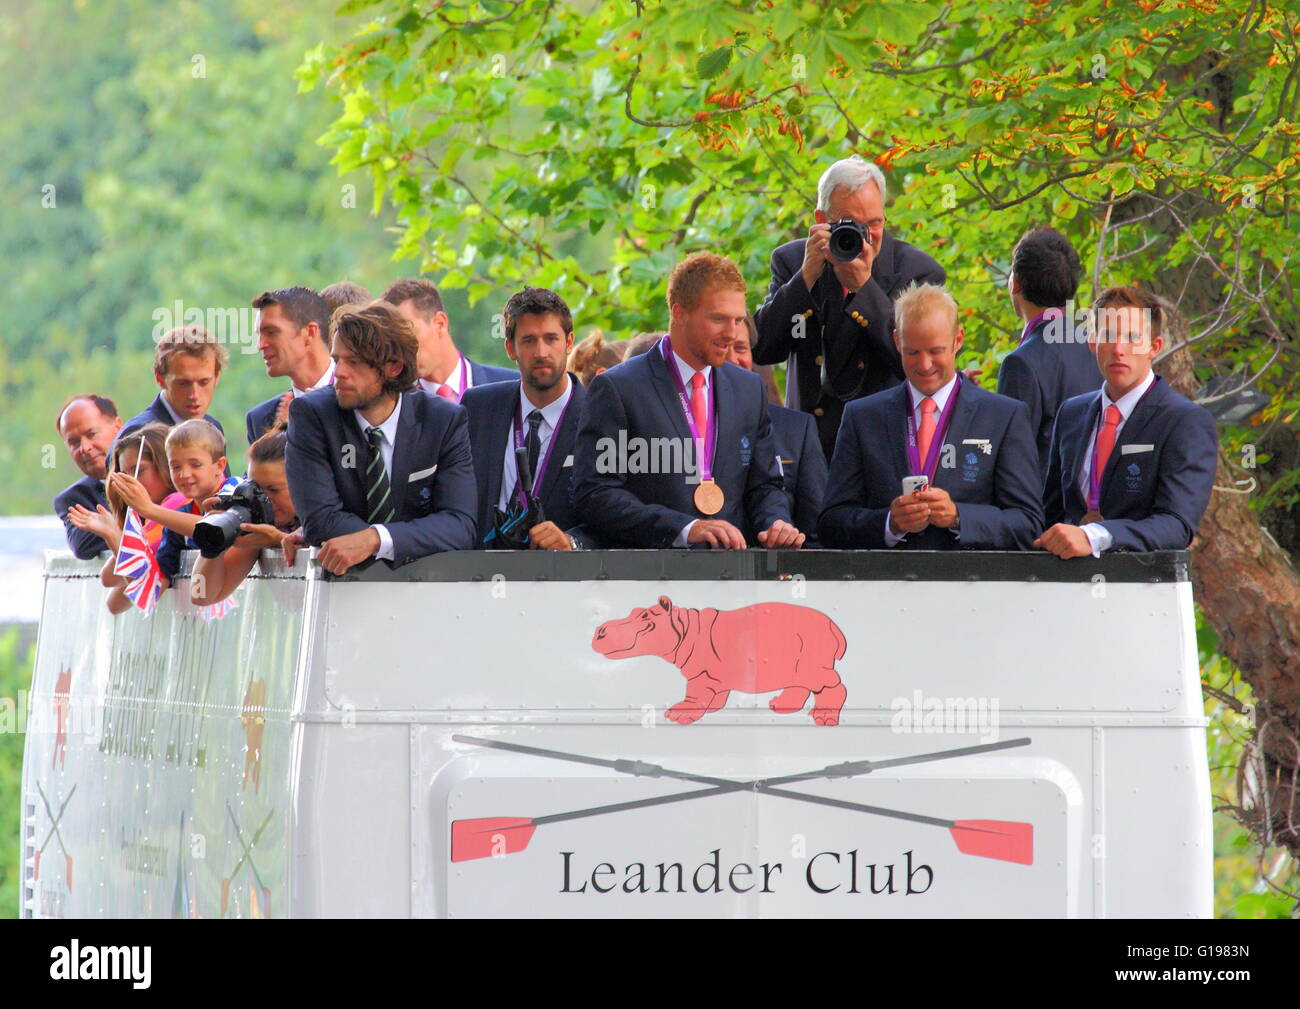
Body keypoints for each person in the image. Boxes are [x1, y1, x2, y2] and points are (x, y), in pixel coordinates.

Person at [572, 252, 804, 550]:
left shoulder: (749, 388)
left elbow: (765, 485)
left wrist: (775, 523)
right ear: (679, 313)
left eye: (737, 320)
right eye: (718, 319)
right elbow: (595, 493)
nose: (731, 334)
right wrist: (683, 528)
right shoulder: (619, 388)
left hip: (732, 581)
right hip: (651, 580)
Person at [819, 283, 1043, 550]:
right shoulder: (862, 417)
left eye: (935, 351)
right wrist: (890, 523)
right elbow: (830, 524)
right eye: (912, 352)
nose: (924, 365)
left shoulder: (1004, 417)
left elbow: (1028, 524)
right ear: (896, 341)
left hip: (970, 584)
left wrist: (959, 516)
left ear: (958, 340)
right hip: (886, 584)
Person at [752, 155, 946, 461]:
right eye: (852, 225)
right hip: (811, 448)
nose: (866, 235)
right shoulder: (792, 262)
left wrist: (864, 289)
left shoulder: (916, 272)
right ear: (821, 219)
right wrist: (805, 280)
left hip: (883, 447)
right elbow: (761, 349)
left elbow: (919, 365)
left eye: (875, 223)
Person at [285, 300, 477, 574]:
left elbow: (460, 526)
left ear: (394, 367)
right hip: (342, 589)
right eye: (337, 359)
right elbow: (320, 521)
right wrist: (402, 541)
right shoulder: (312, 415)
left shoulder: (443, 420)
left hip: (426, 589)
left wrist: (376, 540)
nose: (338, 372)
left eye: (354, 362)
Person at [1038, 286, 1218, 558]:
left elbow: (1176, 525)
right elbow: (1051, 510)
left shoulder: (1185, 421)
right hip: (1067, 581)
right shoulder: (1071, 413)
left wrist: (1095, 536)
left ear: (1153, 347)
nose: (1119, 349)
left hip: (1140, 585)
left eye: (1133, 338)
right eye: (1108, 335)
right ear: (1092, 341)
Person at [462, 288, 586, 550]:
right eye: (529, 340)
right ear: (510, 348)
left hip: (565, 579)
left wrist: (573, 543)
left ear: (569, 342)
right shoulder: (477, 408)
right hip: (482, 576)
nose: (541, 352)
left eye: (551, 338)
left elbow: (617, 512)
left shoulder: (598, 416)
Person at [997, 227, 1101, 478]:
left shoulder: (1021, 363)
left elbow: (1013, 457)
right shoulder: (1094, 347)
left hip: (1044, 508)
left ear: (1015, 283)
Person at [107, 420, 238, 601]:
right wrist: (111, 535)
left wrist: (149, 509)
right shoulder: (175, 525)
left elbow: (217, 527)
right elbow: (153, 590)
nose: (184, 474)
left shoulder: (236, 491)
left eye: (195, 464)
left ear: (220, 466)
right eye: (175, 467)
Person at [727, 322, 827, 540]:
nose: (731, 358)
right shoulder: (682, 419)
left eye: (740, 348)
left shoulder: (797, 429)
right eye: (722, 346)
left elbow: (816, 527)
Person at [191, 424, 303, 606]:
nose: (263, 499)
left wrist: (279, 540)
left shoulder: (327, 515)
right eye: (255, 489)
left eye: (273, 489)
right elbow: (201, 596)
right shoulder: (258, 524)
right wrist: (214, 541)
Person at [71, 423, 178, 606]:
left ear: (165, 465)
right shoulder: (152, 518)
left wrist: (113, 534)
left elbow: (142, 586)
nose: (130, 482)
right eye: (124, 474)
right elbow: (112, 590)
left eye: (140, 470)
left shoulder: (176, 504)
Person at [381, 277, 515, 402]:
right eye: (394, 340)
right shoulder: (396, 405)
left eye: (407, 333)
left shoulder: (512, 387)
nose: (399, 350)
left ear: (440, 323)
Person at [244, 287, 335, 445]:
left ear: (310, 333)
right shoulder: (260, 419)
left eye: (271, 332)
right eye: (259, 335)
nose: (260, 345)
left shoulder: (359, 397)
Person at [119, 325, 227, 439]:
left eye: (203, 382)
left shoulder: (214, 430)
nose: (194, 395)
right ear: (160, 378)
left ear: (216, 377)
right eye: (183, 383)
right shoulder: (140, 436)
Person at [52, 394, 123, 558]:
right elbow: (82, 545)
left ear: (118, 426)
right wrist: (146, 514)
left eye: (92, 434)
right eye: (74, 442)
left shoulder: (153, 470)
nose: (84, 448)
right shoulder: (75, 498)